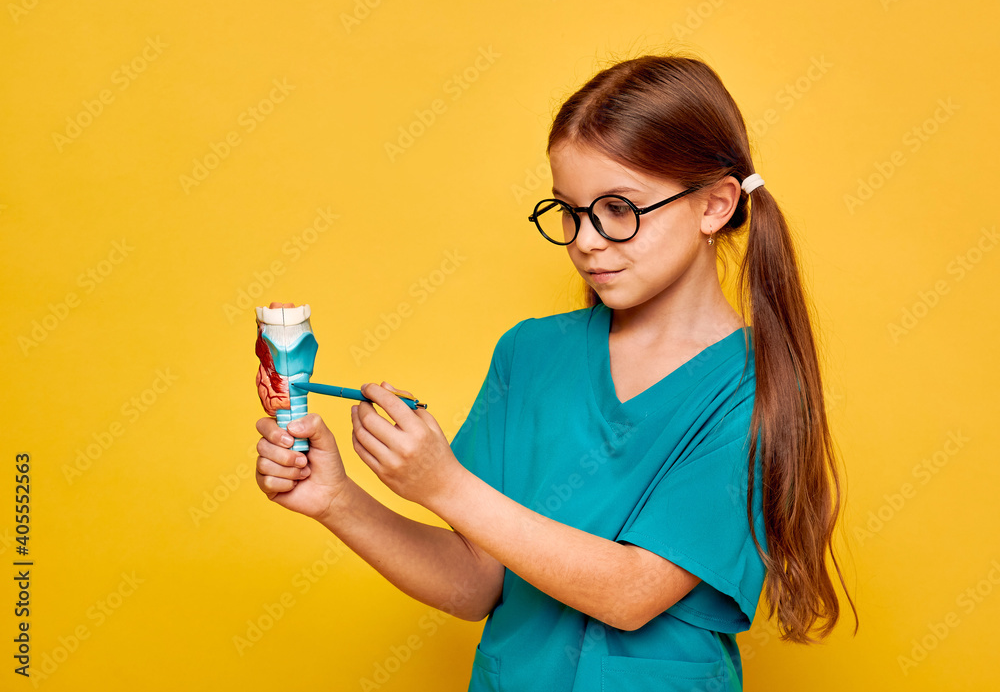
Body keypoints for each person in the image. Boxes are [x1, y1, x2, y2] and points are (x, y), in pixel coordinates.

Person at [254, 52, 857, 691]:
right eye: (570, 211)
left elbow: (630, 595)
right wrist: (338, 501)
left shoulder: (753, 389)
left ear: (714, 206)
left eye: (619, 208)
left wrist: (443, 484)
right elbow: (475, 585)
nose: (587, 240)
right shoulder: (530, 354)